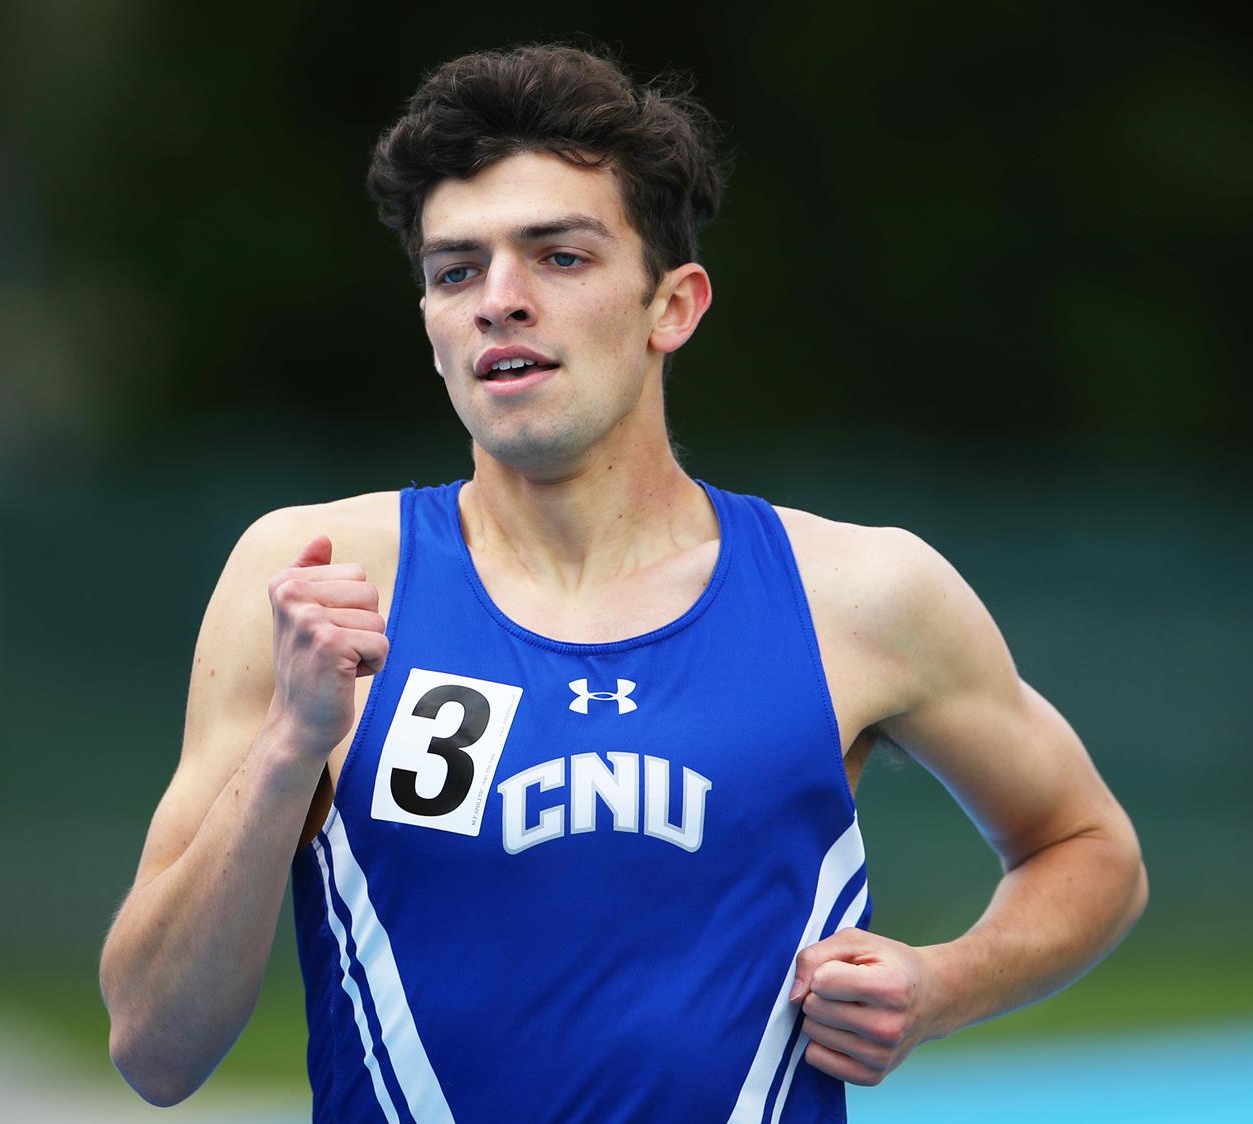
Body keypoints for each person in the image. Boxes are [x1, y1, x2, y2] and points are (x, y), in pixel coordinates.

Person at [97, 43, 1146, 1122]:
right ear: (430, 327)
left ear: (672, 306)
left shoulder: (857, 593)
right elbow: (154, 1047)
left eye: (557, 257)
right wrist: (288, 752)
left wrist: (940, 986)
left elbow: (1087, 848)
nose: (498, 300)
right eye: (456, 270)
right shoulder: (315, 582)